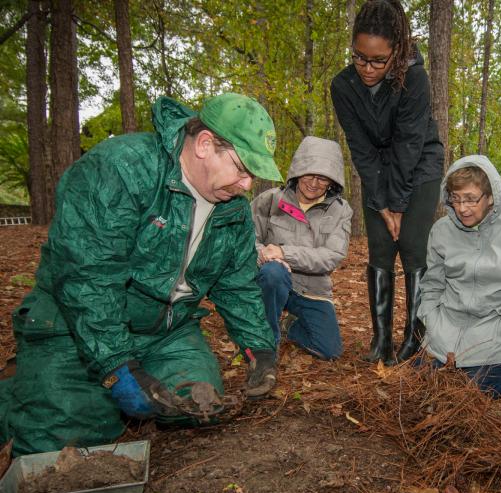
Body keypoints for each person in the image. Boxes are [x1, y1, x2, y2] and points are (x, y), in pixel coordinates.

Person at [0, 93, 282, 456]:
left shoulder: (233, 211)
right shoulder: (122, 168)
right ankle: (26, 388)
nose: (247, 185)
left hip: (166, 333)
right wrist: (116, 364)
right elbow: (88, 278)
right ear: (204, 144)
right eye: (242, 169)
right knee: (66, 437)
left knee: (199, 405)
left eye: (252, 175)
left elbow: (237, 286)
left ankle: (75, 391)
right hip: (72, 325)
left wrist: (260, 349)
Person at [331, 0, 444, 364]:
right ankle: (381, 341)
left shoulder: (415, 80)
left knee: (412, 245)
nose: (367, 68)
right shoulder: (343, 86)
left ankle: (414, 338)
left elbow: (410, 143)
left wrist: (397, 204)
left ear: (397, 50)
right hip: (376, 170)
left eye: (378, 61)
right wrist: (381, 203)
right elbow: (360, 148)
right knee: (380, 247)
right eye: (360, 57)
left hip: (420, 164)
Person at [418, 156, 501, 397]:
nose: (462, 208)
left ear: (491, 196)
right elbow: (432, 284)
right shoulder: (441, 230)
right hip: (446, 328)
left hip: (496, 331)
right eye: (455, 199)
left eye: (471, 199)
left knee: (470, 393)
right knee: (422, 386)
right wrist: (432, 321)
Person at [252, 136, 352, 360]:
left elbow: (332, 256)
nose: (314, 183)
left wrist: (284, 252)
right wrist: (264, 255)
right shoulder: (270, 200)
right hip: (272, 283)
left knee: (329, 350)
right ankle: (266, 345)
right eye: (308, 174)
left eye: (322, 178)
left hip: (312, 289)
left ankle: (291, 325)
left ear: (332, 181)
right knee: (273, 272)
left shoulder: (340, 210)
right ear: (297, 172)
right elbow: (247, 239)